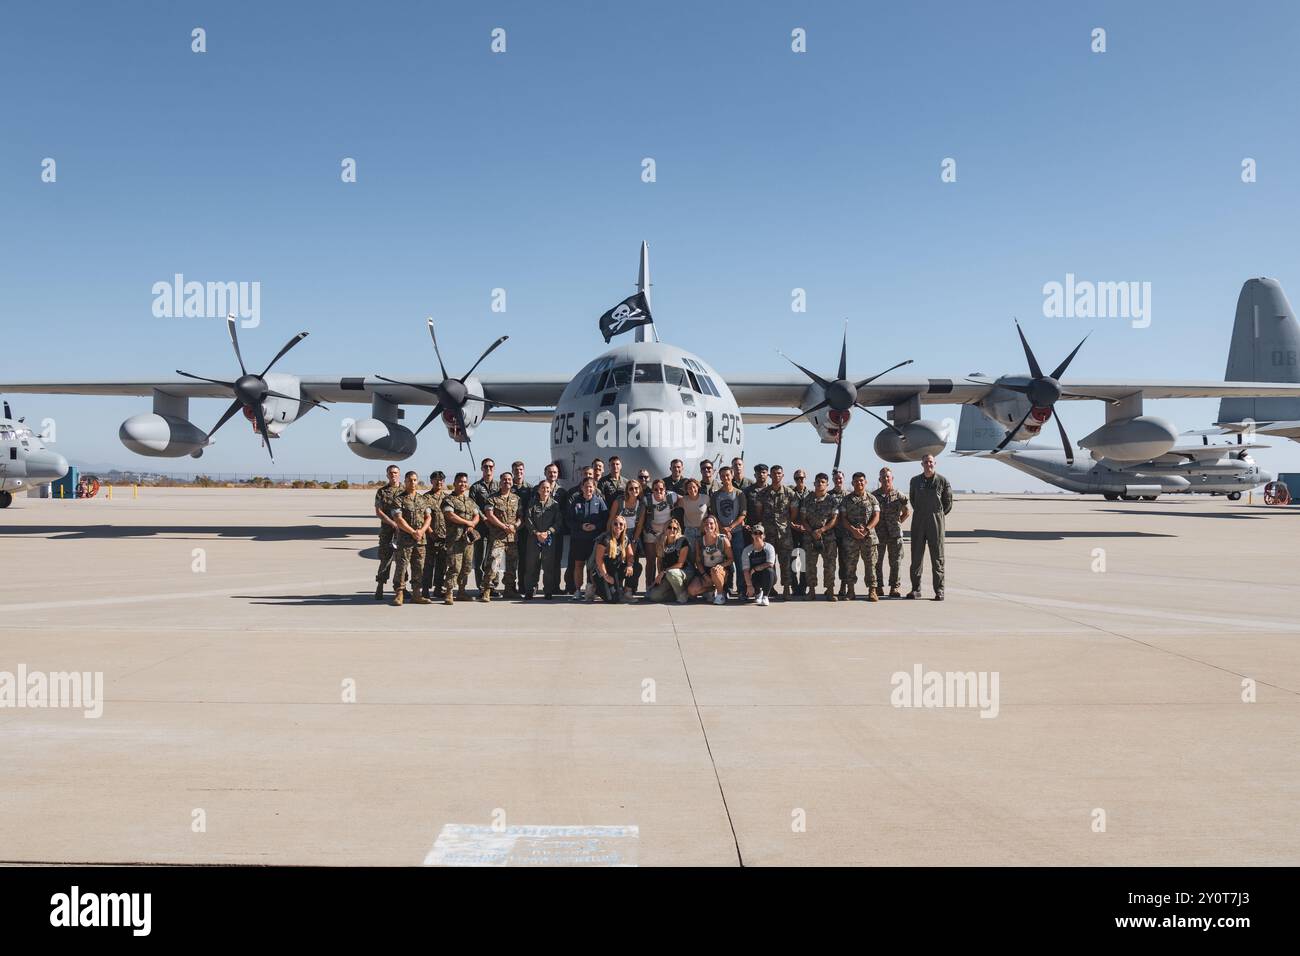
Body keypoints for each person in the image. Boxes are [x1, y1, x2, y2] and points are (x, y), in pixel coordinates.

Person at [908, 454, 953, 601]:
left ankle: (939, 591)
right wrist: (922, 511)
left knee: (937, 558)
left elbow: (948, 504)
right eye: (926, 462)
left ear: (935, 463)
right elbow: (913, 500)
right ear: (922, 464)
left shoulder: (942, 481)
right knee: (916, 557)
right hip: (919, 521)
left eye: (931, 462)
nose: (928, 464)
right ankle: (915, 589)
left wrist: (937, 514)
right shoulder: (915, 481)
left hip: (936, 522)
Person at [794, 472, 839, 600]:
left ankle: (830, 591)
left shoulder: (832, 500)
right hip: (810, 537)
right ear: (814, 483)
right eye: (818, 481)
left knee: (830, 565)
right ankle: (811, 591)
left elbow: (834, 518)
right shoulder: (807, 500)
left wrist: (822, 530)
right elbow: (803, 518)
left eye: (823, 482)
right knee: (810, 565)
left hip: (828, 538)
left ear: (827, 484)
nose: (820, 484)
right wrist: (812, 531)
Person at [837, 471, 881, 602]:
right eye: (856, 481)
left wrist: (867, 529)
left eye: (861, 481)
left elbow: (876, 516)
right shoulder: (846, 500)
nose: (859, 483)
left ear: (865, 482)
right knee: (850, 565)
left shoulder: (872, 499)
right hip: (851, 538)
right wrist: (853, 530)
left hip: (869, 537)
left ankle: (872, 591)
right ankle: (851, 591)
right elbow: (843, 519)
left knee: (871, 565)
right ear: (852, 483)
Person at [391, 471, 432, 606]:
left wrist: (421, 531)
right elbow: (398, 518)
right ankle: (399, 593)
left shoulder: (423, 499)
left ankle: (416, 594)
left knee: (418, 567)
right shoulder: (399, 499)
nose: (413, 483)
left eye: (415, 480)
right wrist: (412, 531)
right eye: (410, 480)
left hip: (420, 539)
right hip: (405, 540)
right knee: (402, 566)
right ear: (405, 482)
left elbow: (428, 517)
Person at [758, 465, 798, 599]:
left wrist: (784, 523)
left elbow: (794, 513)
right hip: (768, 534)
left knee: (786, 562)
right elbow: (759, 513)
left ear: (782, 475)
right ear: (770, 475)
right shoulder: (762, 494)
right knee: (769, 562)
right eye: (774, 473)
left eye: (779, 473)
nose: (776, 476)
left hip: (784, 534)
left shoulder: (789, 493)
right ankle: (771, 587)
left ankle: (786, 588)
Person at [441, 472, 481, 604]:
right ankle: (449, 592)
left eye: (465, 482)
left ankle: (462, 591)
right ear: (454, 483)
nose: (462, 484)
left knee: (467, 567)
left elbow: (476, 514)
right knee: (454, 567)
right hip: (455, 539)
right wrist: (467, 523)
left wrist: (473, 523)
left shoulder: (470, 501)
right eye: (460, 482)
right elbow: (449, 515)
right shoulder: (449, 499)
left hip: (468, 541)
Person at [480, 472, 521, 602]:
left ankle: (509, 589)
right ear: (500, 481)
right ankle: (486, 590)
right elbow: (489, 514)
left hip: (512, 538)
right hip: (498, 537)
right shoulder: (492, 498)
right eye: (504, 479)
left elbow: (521, 517)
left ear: (512, 482)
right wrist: (504, 526)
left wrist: (515, 526)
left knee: (512, 565)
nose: (507, 481)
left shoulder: (517, 499)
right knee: (493, 564)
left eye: (509, 479)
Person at [565, 477, 608, 600]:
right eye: (586, 486)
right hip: (578, 539)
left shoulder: (599, 501)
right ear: (582, 488)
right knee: (578, 565)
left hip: (594, 541)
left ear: (594, 488)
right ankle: (578, 590)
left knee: (592, 566)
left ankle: (591, 590)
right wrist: (580, 526)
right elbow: (569, 520)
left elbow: (605, 519)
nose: (588, 489)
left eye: (591, 486)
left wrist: (595, 526)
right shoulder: (576, 502)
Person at [873, 467, 911, 598]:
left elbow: (907, 512)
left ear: (892, 478)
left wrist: (898, 522)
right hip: (879, 534)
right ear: (879, 479)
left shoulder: (899, 496)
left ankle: (894, 587)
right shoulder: (874, 496)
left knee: (896, 562)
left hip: (895, 535)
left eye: (887, 477)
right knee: (877, 562)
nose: (885, 479)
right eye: (883, 477)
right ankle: (878, 587)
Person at [522, 479, 563, 599]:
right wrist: (536, 533)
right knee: (531, 565)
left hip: (548, 539)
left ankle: (548, 591)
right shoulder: (532, 504)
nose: (545, 490)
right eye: (543, 488)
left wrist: (548, 532)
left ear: (550, 490)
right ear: (539, 490)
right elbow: (528, 520)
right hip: (534, 539)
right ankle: (530, 590)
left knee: (548, 566)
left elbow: (558, 522)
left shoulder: (554, 505)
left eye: (547, 488)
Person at [709, 466, 747, 596]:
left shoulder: (739, 494)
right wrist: (723, 529)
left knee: (739, 561)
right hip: (720, 534)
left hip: (736, 533)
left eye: (727, 475)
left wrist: (731, 528)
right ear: (720, 477)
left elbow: (743, 514)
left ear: (732, 476)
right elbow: (713, 514)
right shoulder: (716, 495)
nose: (725, 478)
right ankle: (725, 589)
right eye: (723, 476)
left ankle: (742, 589)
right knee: (723, 562)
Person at [589, 514, 638, 603]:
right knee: (612, 600)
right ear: (612, 525)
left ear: (624, 526)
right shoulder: (605, 538)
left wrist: (630, 565)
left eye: (621, 524)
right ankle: (595, 588)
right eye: (615, 524)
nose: (618, 526)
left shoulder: (625, 539)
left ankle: (627, 591)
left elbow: (630, 555)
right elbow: (599, 560)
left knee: (637, 566)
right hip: (602, 572)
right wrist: (606, 576)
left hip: (615, 570)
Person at [609, 479, 646, 594]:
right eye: (631, 488)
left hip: (632, 534)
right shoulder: (619, 502)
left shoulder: (641, 505)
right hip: (617, 533)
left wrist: (634, 540)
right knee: (617, 560)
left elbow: (640, 525)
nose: (634, 490)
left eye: (636, 488)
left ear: (639, 489)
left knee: (632, 562)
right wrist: (609, 538)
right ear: (627, 490)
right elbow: (610, 520)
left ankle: (630, 588)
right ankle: (617, 586)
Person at [469, 459, 499, 595]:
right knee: (480, 559)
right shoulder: (475, 487)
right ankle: (481, 586)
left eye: (491, 466)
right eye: (485, 466)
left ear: (494, 468)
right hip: (480, 528)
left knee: (494, 557)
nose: (488, 469)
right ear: (482, 468)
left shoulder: (499, 486)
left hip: (495, 528)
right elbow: (473, 506)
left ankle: (492, 585)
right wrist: (484, 517)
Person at [373, 465, 403, 600]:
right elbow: (378, 512)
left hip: (402, 532)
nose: (393, 475)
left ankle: (400, 588)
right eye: (391, 473)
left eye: (395, 473)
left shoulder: (405, 490)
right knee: (385, 559)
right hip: (387, 531)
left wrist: (401, 525)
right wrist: (392, 523)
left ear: (399, 474)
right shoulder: (381, 492)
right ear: (387, 475)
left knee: (402, 560)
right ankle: (380, 586)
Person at [688, 515, 733, 604]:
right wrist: (704, 575)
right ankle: (712, 589)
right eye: (706, 524)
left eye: (711, 523)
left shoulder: (723, 539)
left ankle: (720, 596)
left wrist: (721, 566)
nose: (708, 526)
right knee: (691, 591)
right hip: (706, 570)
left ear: (715, 525)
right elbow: (698, 561)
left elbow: (731, 559)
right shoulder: (700, 541)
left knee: (714, 570)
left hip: (721, 570)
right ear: (703, 526)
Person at [641, 479, 678, 585]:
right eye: (655, 489)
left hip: (666, 533)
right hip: (651, 532)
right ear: (652, 490)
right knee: (651, 560)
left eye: (661, 489)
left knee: (663, 560)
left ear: (665, 489)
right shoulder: (647, 499)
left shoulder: (672, 496)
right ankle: (649, 586)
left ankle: (663, 585)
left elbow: (682, 500)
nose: (658, 491)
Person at [646, 518, 692, 603]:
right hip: (668, 574)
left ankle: (682, 595)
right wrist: (660, 575)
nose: (672, 530)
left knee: (672, 573)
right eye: (670, 527)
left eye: (675, 528)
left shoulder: (682, 541)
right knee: (654, 596)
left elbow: (680, 564)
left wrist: (663, 572)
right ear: (665, 528)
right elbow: (659, 561)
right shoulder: (661, 540)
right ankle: (677, 593)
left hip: (683, 572)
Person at [420, 470, 449, 599]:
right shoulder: (425, 498)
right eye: (436, 479)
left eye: (441, 480)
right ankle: (425, 589)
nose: (439, 482)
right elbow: (422, 517)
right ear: (431, 481)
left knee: (442, 564)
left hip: (444, 536)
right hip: (429, 536)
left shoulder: (448, 498)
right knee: (428, 564)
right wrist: (430, 532)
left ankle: (438, 588)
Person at [740, 525, 776, 605]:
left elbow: (770, 564)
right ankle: (758, 593)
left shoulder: (769, 548)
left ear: (764, 536)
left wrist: (755, 568)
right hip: (753, 576)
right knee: (747, 575)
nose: (757, 535)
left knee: (769, 571)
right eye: (755, 533)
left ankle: (765, 596)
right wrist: (749, 585)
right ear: (752, 535)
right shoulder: (747, 550)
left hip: (766, 576)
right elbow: (746, 570)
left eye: (760, 533)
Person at [510, 460, 531, 594]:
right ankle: (510, 586)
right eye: (516, 470)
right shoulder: (507, 485)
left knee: (523, 559)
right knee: (510, 559)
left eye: (521, 470)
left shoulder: (529, 488)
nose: (519, 472)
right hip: (509, 528)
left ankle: (522, 585)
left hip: (524, 529)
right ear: (513, 471)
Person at [829, 469, 850, 598]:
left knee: (844, 561)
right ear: (833, 480)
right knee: (830, 561)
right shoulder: (828, 495)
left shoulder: (848, 496)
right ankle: (830, 586)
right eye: (836, 478)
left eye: (840, 478)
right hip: (831, 534)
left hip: (845, 534)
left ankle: (844, 586)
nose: (838, 480)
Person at [678, 477, 709, 549]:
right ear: (686, 490)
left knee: (704, 553)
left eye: (694, 487)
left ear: (698, 487)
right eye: (689, 488)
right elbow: (673, 505)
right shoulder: (683, 500)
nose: (692, 490)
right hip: (689, 531)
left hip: (703, 530)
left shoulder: (706, 498)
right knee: (691, 554)